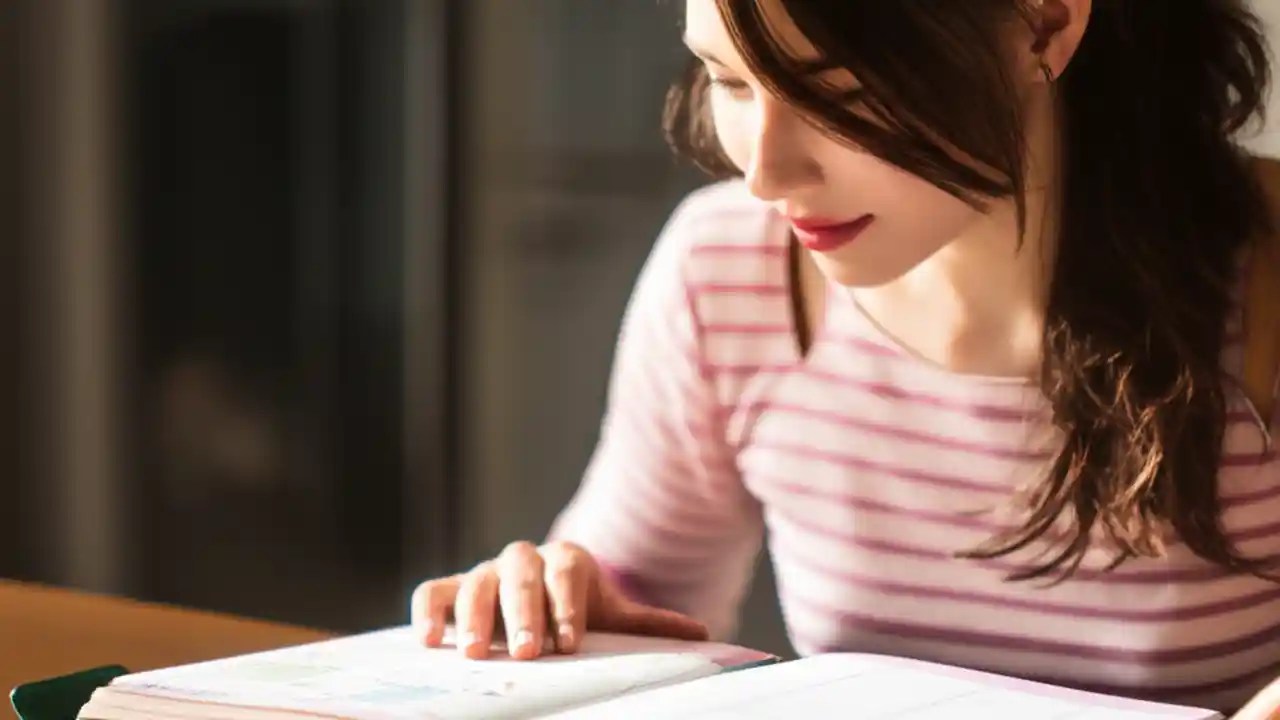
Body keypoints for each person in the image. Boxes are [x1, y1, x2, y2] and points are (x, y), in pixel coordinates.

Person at [411, 1, 1280, 715]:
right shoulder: (733, 272)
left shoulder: (1266, 280)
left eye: (835, 94)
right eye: (729, 81)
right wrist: (561, 602)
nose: (767, 173)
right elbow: (643, 593)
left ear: (1045, 22)